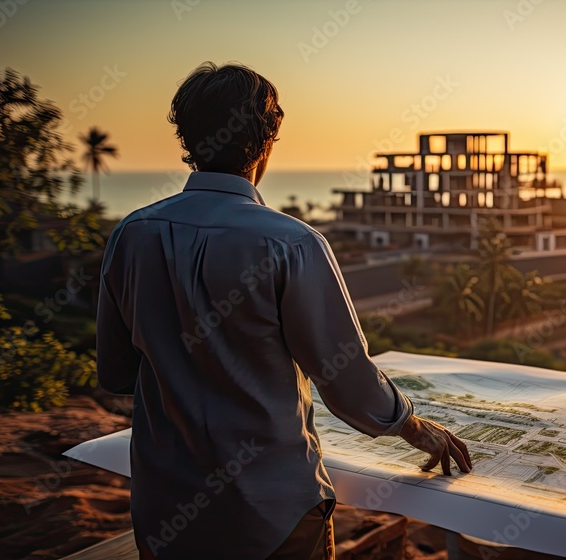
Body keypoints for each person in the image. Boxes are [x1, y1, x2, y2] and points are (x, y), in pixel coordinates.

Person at [96, 62, 472, 560]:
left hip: (166, 511)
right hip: (272, 513)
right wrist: (415, 427)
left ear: (186, 136)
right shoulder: (292, 244)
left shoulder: (132, 235)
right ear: (268, 139)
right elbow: (345, 377)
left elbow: (116, 373)